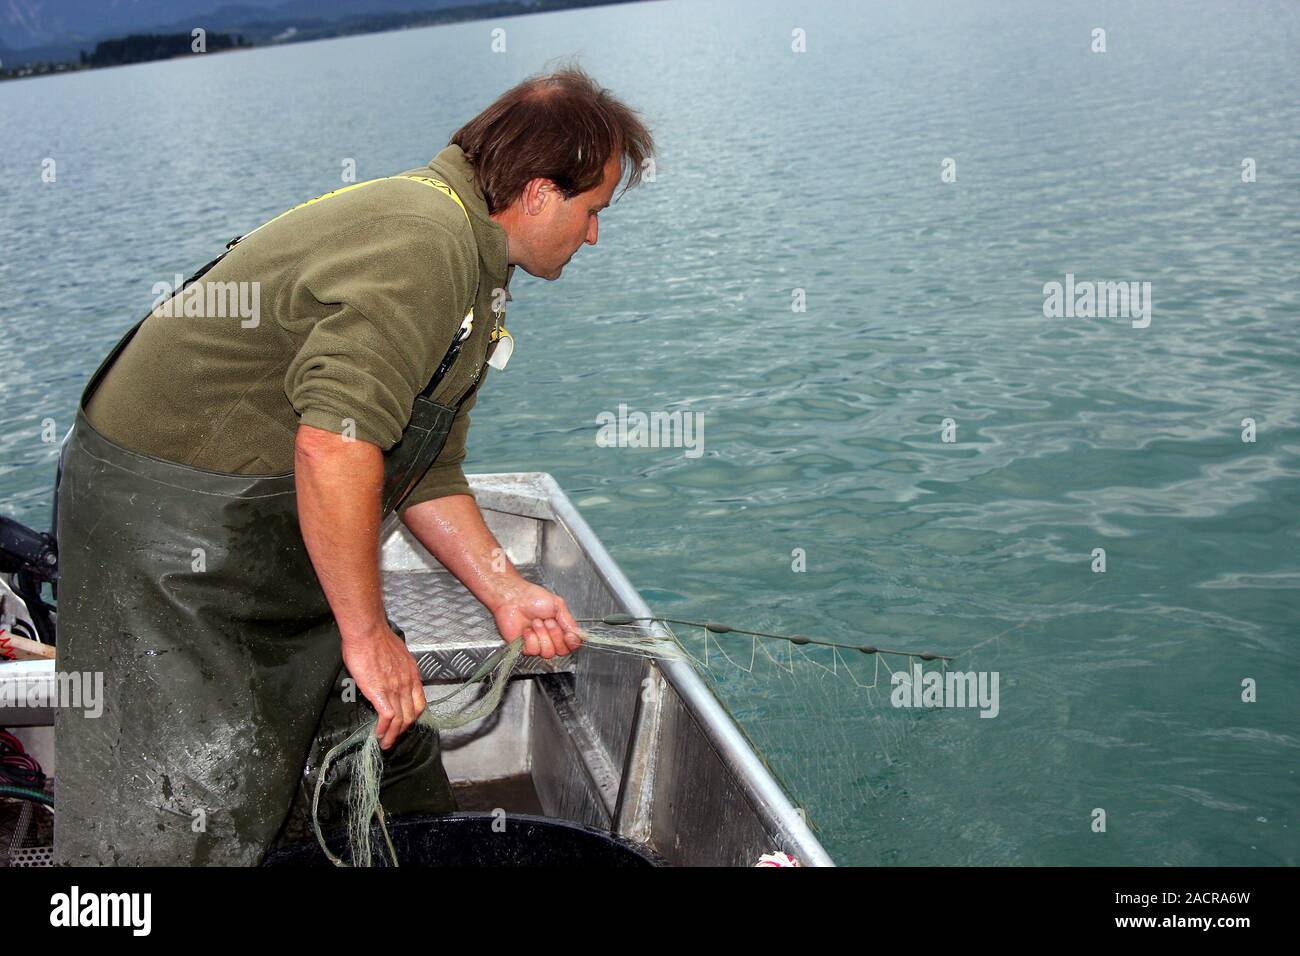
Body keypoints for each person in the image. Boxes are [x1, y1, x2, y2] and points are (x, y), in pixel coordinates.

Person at [52, 66, 655, 865]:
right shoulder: (423, 244)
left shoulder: (477, 266)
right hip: (171, 529)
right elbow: (334, 445)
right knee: (196, 801)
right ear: (540, 193)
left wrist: (504, 589)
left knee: (380, 735)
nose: (593, 236)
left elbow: (424, 465)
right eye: (592, 212)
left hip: (272, 518)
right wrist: (364, 633)